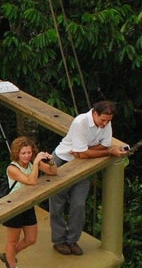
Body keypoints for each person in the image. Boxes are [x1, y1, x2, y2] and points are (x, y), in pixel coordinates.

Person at [49, 100, 127, 256]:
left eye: (108, 121)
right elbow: (97, 150)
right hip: (64, 161)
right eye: (102, 120)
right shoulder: (81, 122)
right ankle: (59, 240)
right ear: (94, 113)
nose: (105, 124)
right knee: (58, 202)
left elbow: (98, 147)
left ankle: (72, 240)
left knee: (78, 204)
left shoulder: (106, 123)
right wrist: (109, 152)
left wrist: (86, 150)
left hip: (83, 164)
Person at [0, 137, 57, 268]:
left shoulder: (32, 163)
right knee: (12, 240)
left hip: (27, 205)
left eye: (29, 153)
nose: (27, 156)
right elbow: (31, 181)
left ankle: (9, 255)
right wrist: (37, 162)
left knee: (31, 239)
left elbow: (53, 172)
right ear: (17, 154)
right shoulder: (12, 168)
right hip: (14, 207)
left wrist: (51, 161)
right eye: (23, 153)